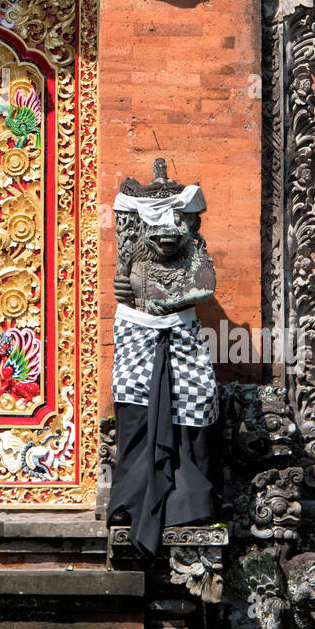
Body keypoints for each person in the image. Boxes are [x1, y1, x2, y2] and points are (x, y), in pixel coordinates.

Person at [107, 158, 219, 557]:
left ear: (190, 225)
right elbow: (125, 286)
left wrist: (165, 301)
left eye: (176, 224)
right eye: (156, 225)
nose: (167, 234)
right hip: (136, 334)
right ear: (140, 226)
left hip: (183, 335)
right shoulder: (134, 254)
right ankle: (131, 498)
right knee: (132, 400)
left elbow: (205, 288)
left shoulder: (196, 253)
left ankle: (188, 501)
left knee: (198, 399)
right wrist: (128, 289)